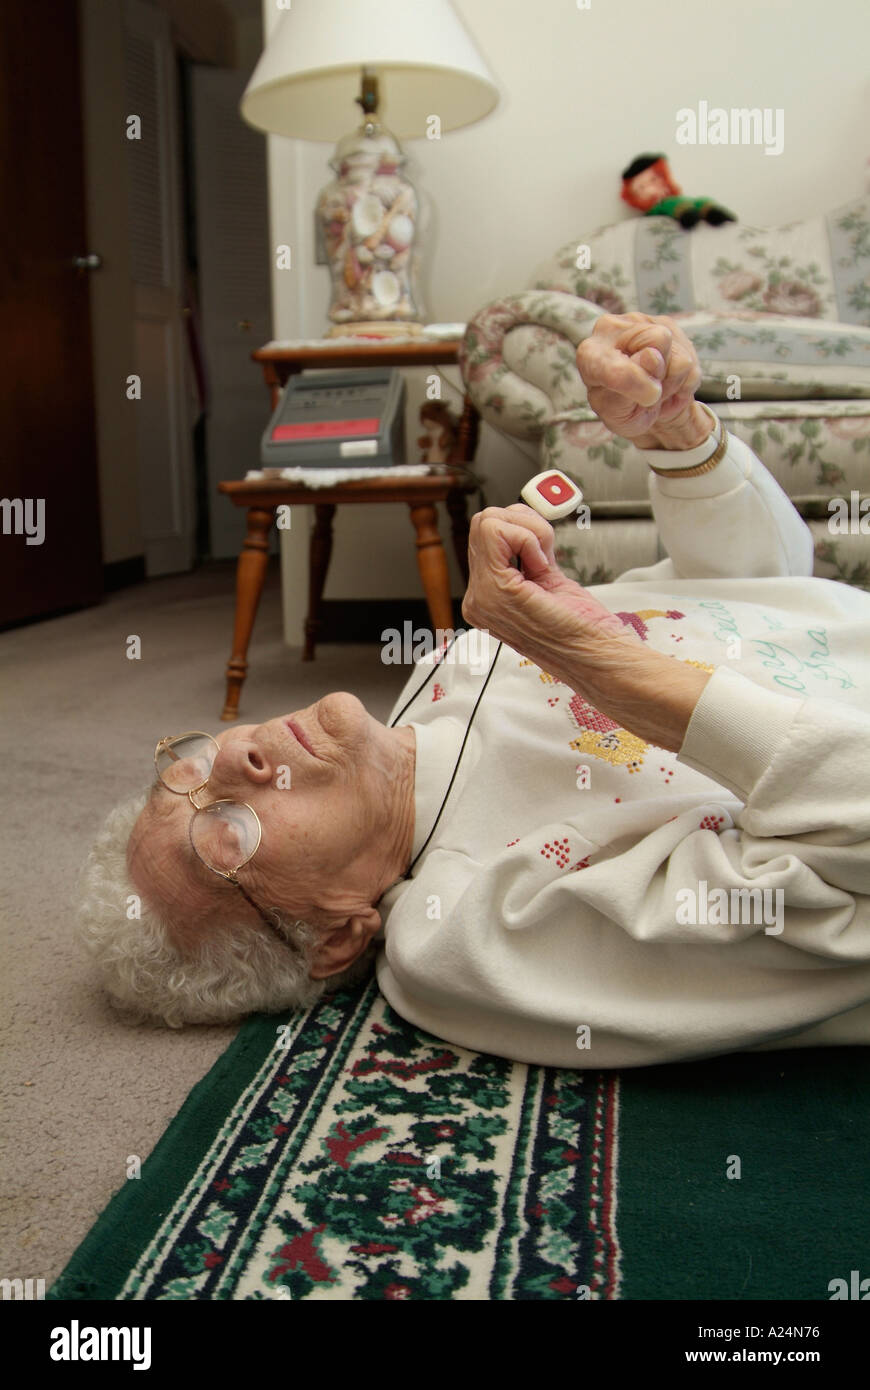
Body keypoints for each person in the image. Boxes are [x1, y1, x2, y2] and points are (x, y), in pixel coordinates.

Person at [78, 313, 870, 1067]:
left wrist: (672, 429)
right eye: (228, 834)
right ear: (333, 938)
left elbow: (763, 584)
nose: (234, 761)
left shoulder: (442, 675)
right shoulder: (466, 935)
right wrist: (593, 659)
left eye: (187, 767)